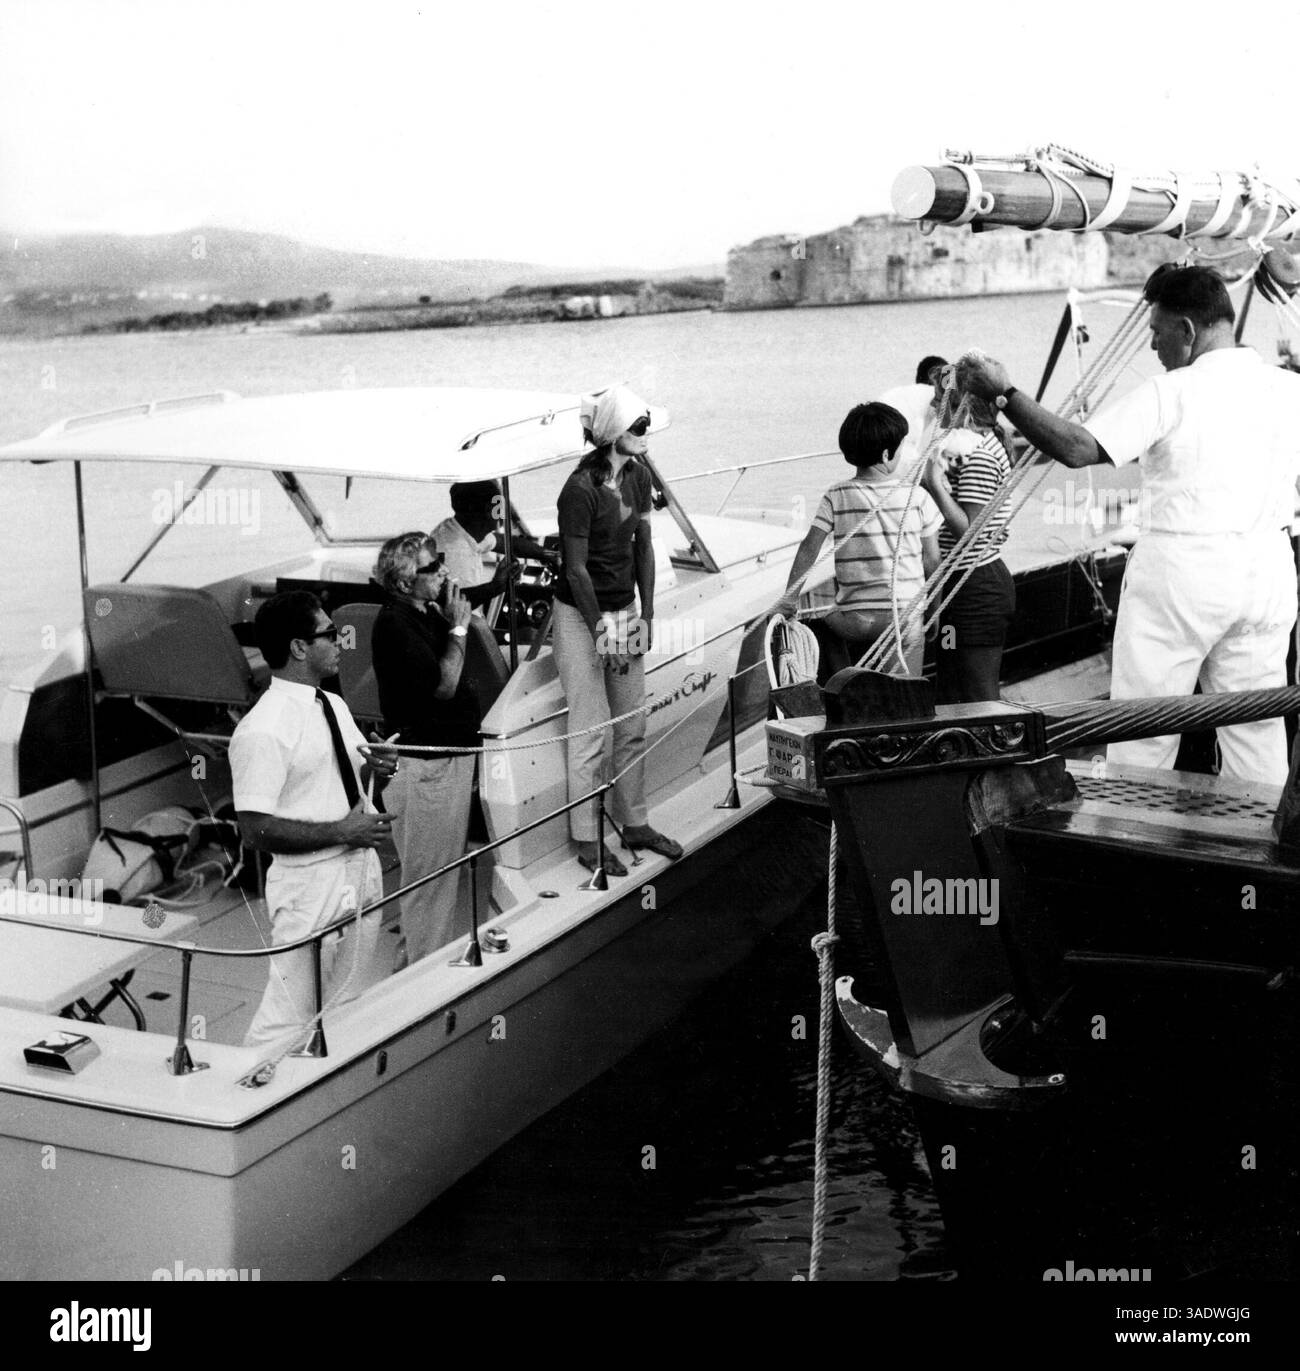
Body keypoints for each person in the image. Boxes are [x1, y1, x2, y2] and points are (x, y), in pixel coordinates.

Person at [961, 262, 1300, 784]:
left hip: (1184, 572)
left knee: (1143, 728)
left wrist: (1004, 393)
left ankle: (1132, 841)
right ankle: (1262, 850)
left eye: (1157, 333)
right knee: (1256, 727)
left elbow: (1076, 449)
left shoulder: (1174, 392)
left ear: (1187, 330)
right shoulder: (1290, 391)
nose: (1153, 348)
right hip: (1269, 573)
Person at [231, 591, 398, 1052]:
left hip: (359, 871)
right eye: (329, 633)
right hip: (309, 886)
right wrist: (343, 832)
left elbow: (348, 786)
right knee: (287, 1017)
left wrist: (377, 769)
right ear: (300, 648)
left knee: (350, 1003)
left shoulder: (334, 705)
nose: (341, 640)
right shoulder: (262, 729)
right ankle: (239, 1101)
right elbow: (253, 828)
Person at [551, 385, 682, 875]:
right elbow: (575, 571)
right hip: (581, 618)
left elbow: (643, 546)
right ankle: (587, 838)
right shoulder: (579, 492)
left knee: (631, 725)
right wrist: (603, 635)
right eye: (638, 427)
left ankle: (635, 822)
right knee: (589, 731)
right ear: (611, 434)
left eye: (646, 425)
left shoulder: (639, 474)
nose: (646, 434)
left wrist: (647, 614)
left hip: (624, 609)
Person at [371, 531, 480, 965]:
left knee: (431, 881)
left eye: (442, 562)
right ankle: (426, 980)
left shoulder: (420, 610)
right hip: (426, 774)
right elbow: (444, 685)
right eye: (432, 568)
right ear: (402, 584)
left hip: (437, 767)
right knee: (430, 885)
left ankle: (413, 959)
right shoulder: (396, 624)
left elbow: (455, 602)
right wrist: (458, 627)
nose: (443, 572)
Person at [775, 401, 942, 676]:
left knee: (822, 617)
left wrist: (790, 599)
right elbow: (932, 560)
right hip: (905, 618)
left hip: (855, 623)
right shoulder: (917, 497)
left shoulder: (836, 495)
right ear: (888, 455)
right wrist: (934, 610)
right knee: (904, 690)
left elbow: (809, 549)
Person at [920, 393, 1015, 702]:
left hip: (977, 590)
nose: (934, 407)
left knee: (979, 694)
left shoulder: (980, 456)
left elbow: (971, 532)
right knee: (950, 686)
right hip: (956, 588)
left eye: (940, 400)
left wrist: (933, 485)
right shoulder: (962, 450)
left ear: (961, 406)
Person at [432, 480, 559, 615]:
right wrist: (496, 587)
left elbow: (510, 543)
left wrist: (549, 554)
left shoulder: (461, 529)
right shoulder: (454, 550)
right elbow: (457, 604)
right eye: (499, 506)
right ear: (489, 510)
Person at [880, 354, 949, 479]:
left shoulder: (898, 397)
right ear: (933, 375)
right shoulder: (929, 403)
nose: (949, 386)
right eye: (946, 378)